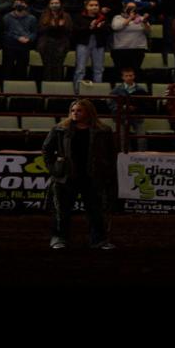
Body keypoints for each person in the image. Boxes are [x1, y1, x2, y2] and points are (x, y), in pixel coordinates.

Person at [42, 99, 119, 250]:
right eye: (73, 110)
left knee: (96, 211)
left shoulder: (103, 130)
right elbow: (47, 150)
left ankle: (99, 240)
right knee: (62, 211)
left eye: (79, 110)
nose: (75, 113)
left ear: (89, 112)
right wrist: (55, 169)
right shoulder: (59, 129)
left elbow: (111, 153)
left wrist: (106, 172)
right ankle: (59, 238)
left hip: (92, 176)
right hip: (66, 176)